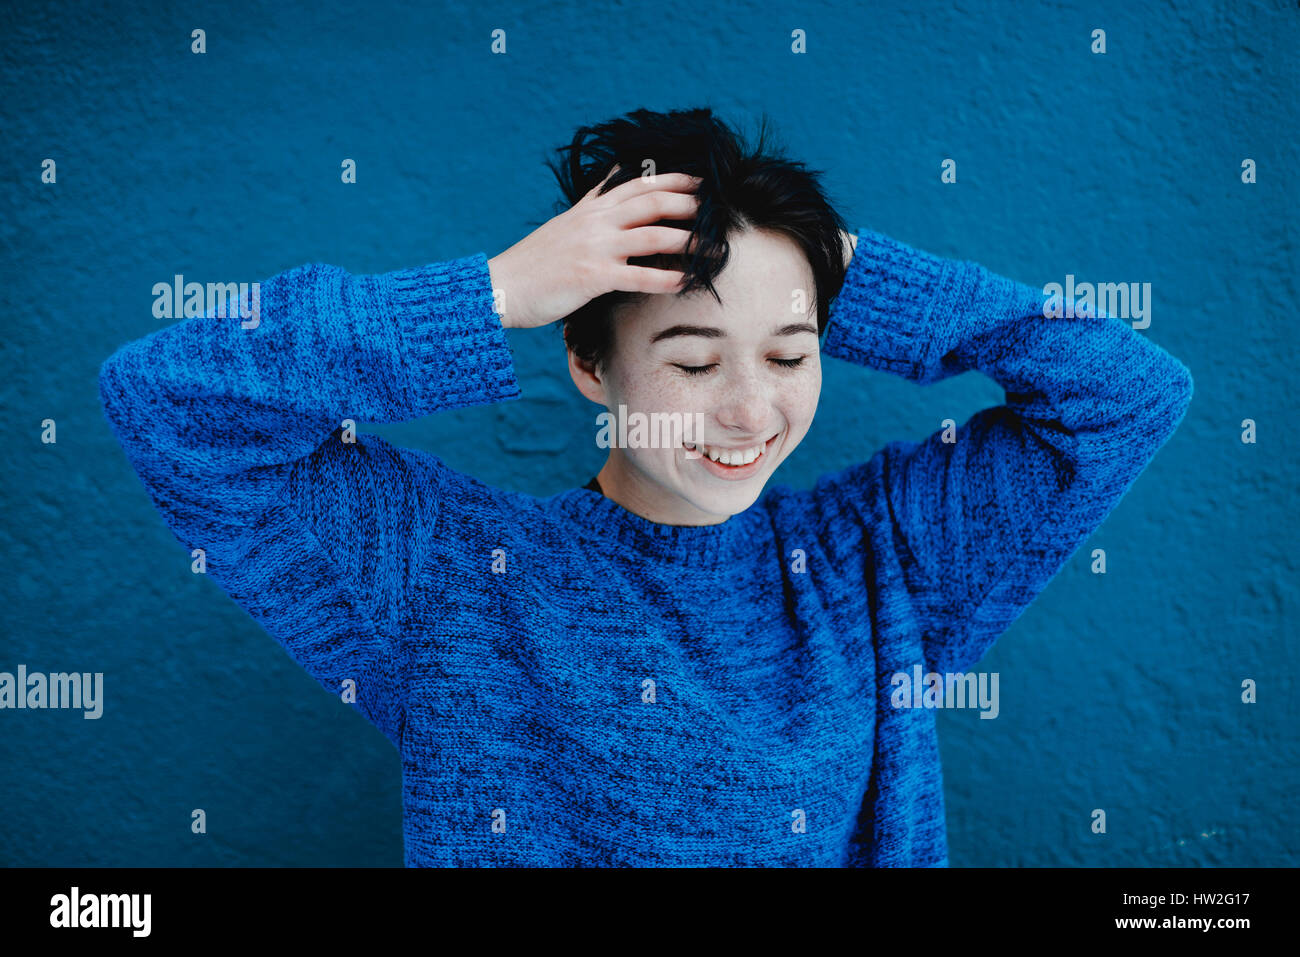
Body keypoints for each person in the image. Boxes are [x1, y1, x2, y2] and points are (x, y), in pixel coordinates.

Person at [98, 107, 1193, 866]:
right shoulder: (449, 577)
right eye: (692, 357)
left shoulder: (885, 560)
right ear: (589, 364)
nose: (751, 412)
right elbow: (166, 401)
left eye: (788, 352)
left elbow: (1127, 393)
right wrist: (493, 293)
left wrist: (842, 267)